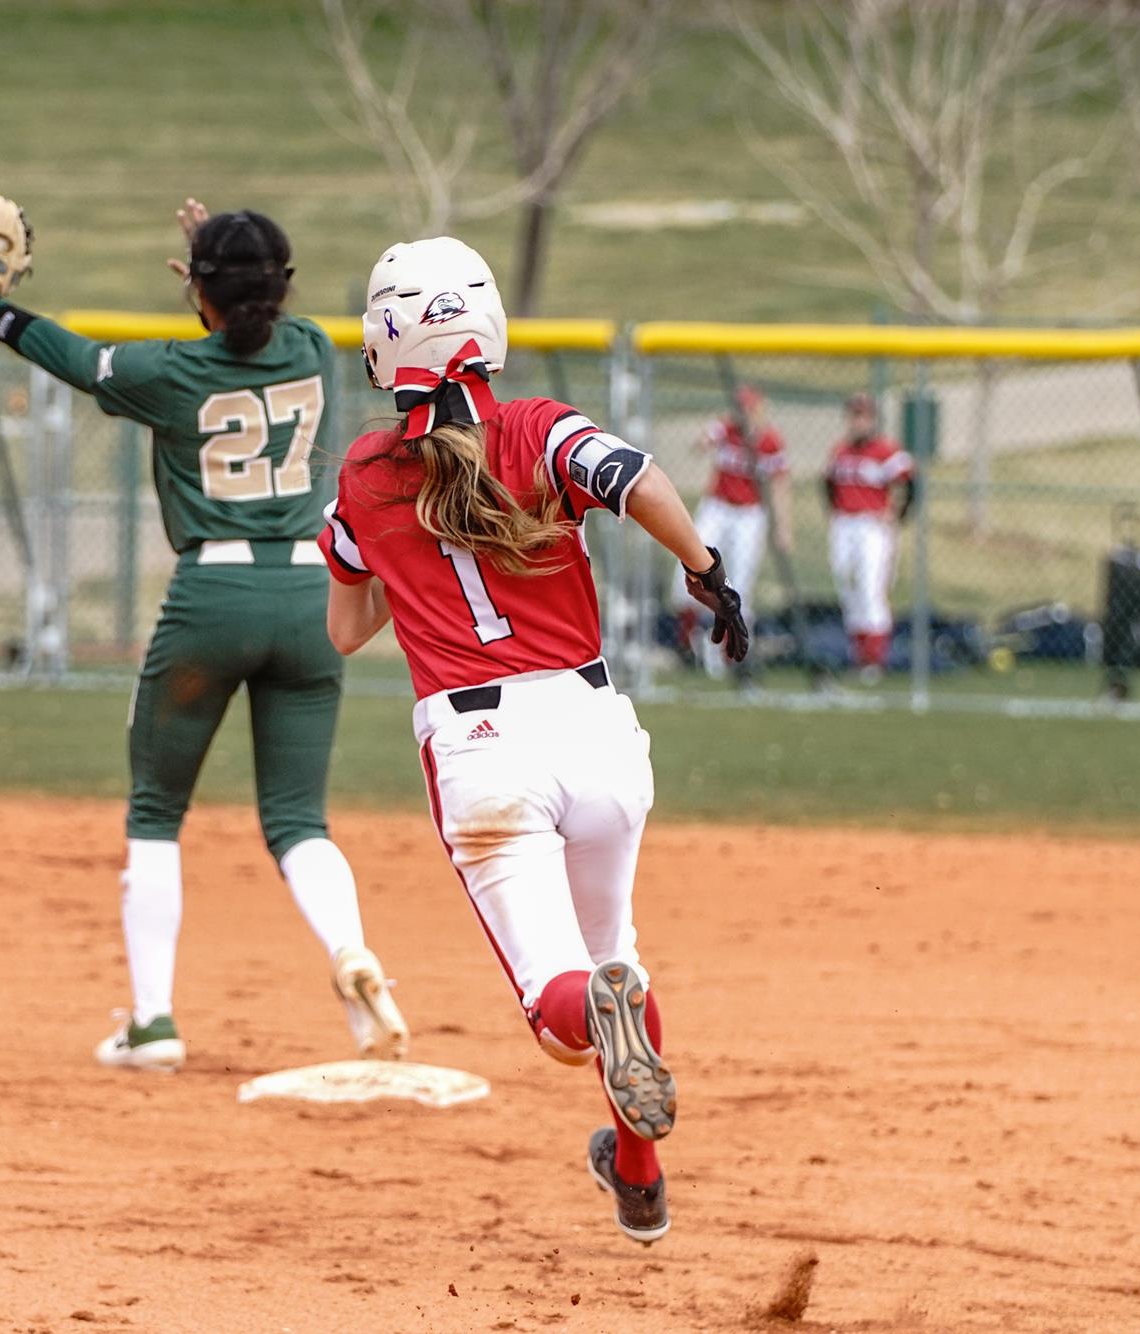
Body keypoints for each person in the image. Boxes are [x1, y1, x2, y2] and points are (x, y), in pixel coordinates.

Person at [319, 237, 748, 1245]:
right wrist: (702, 567)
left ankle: (590, 1017)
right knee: (617, 962)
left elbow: (343, 628)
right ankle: (636, 1179)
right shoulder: (536, 426)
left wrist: (407, 559)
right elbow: (633, 478)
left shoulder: (364, 470)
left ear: (385, 350)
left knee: (559, 1002)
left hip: (481, 748)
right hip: (596, 726)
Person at [0, 192, 408, 1073]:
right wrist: (220, 269)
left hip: (212, 600)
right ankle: (353, 954)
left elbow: (67, 355)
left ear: (200, 292)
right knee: (298, 818)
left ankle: (153, 1023)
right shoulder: (313, 350)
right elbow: (255, 315)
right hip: (308, 598)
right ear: (282, 287)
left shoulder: (172, 374)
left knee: (156, 813)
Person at [675, 385, 789, 677]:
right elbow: (698, 445)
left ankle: (735, 654)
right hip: (718, 506)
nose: (744, 414)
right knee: (687, 567)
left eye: (749, 408)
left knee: (740, 582)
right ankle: (687, 644)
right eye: (740, 408)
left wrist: (783, 527)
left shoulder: (770, 441)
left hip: (750, 514)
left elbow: (779, 485)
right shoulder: (727, 429)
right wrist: (715, 429)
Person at [824, 391, 916, 684]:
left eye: (863, 416)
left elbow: (911, 486)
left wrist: (897, 517)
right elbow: (827, 483)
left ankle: (875, 659)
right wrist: (834, 512)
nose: (857, 422)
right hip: (844, 523)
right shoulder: (841, 450)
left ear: (873, 419)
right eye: (853, 415)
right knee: (846, 584)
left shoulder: (886, 450)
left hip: (871, 525)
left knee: (870, 588)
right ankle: (858, 655)